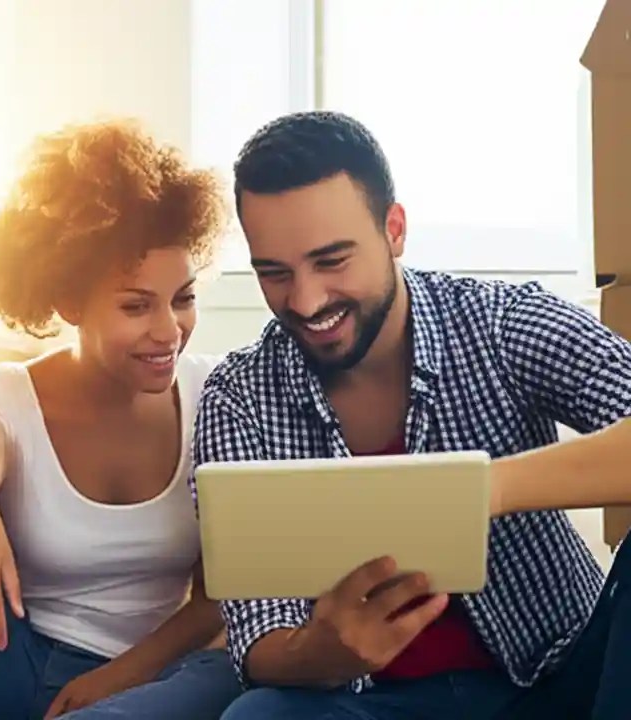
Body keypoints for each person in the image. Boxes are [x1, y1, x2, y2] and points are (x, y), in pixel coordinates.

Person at [191, 109, 631, 719]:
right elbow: (258, 641)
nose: (307, 300)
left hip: (562, 677)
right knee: (257, 716)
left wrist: (481, 489)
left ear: (394, 230)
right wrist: (324, 651)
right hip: (372, 705)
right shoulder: (238, 399)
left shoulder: (500, 324)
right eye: (275, 273)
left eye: (332, 261)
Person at [0, 119, 243, 719]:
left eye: (184, 298)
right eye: (136, 305)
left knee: (232, 676)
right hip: (18, 662)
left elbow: (218, 598)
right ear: (70, 302)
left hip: (158, 673)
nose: (169, 330)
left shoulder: (214, 396)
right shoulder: (15, 395)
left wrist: (119, 677)